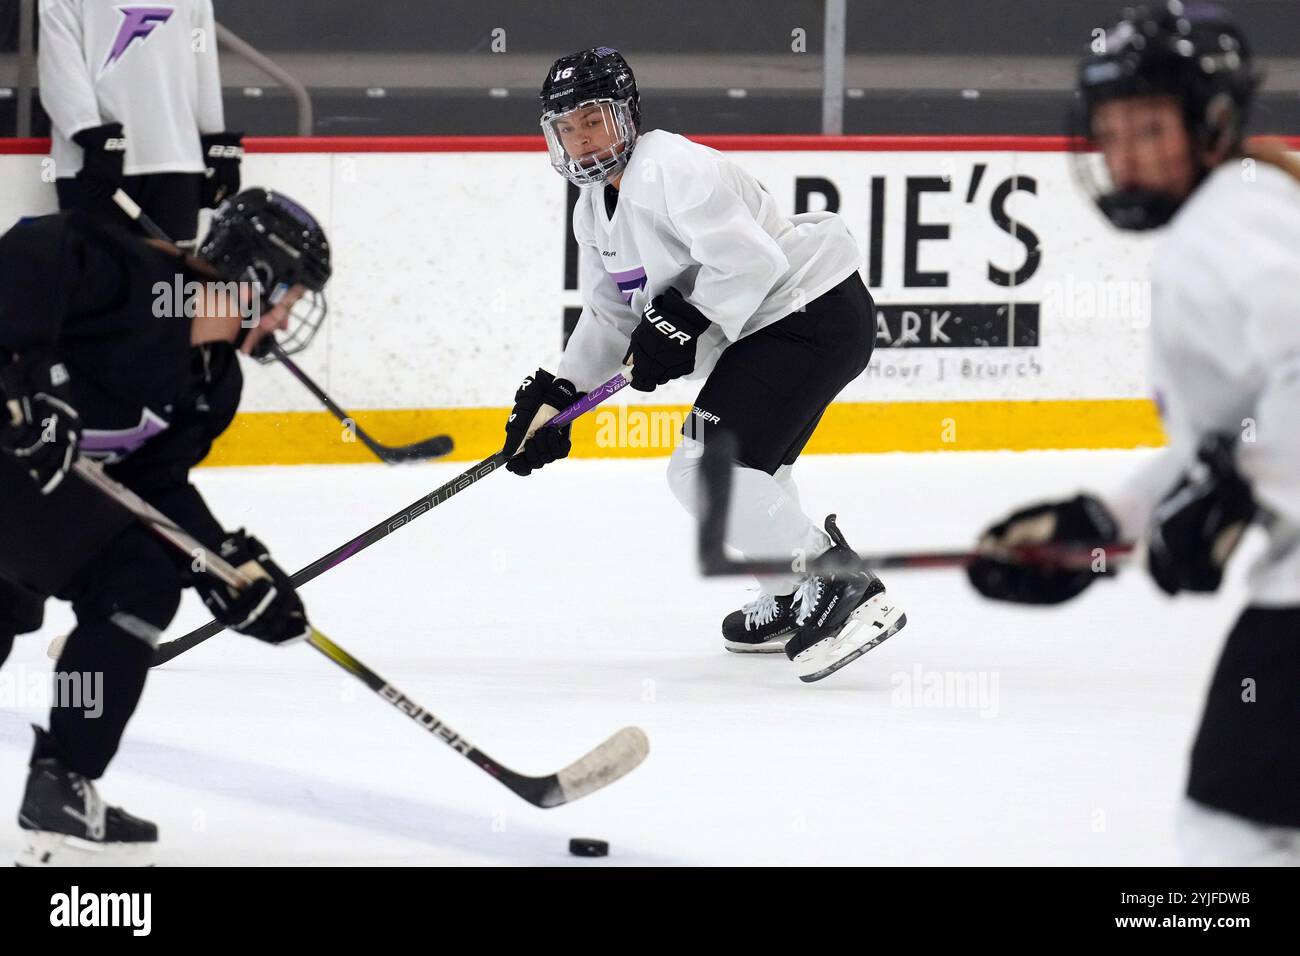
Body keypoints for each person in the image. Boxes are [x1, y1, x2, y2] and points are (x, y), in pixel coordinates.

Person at [968, 1, 1300, 864]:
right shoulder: (1247, 206)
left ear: (1213, 123)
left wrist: (1228, 494)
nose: (1127, 158)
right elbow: (1231, 431)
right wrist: (1106, 519)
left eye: (1151, 129)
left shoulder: (1230, 227)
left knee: (1228, 842)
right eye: (1112, 133)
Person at [503, 47, 905, 683]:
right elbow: (610, 314)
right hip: (784, 324)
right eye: (567, 128)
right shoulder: (591, 210)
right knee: (755, 469)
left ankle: (838, 583)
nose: (581, 141)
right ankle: (792, 588)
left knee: (702, 468)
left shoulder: (670, 166)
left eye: (593, 121)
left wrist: (681, 320)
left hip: (810, 311)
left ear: (627, 115)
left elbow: (751, 264)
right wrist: (558, 395)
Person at [0, 188, 330, 865]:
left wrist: (225, 566)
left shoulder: (211, 382)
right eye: (292, 295)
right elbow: (30, 249)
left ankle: (61, 788)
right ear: (258, 278)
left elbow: (149, 488)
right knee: (136, 580)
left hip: (27, 504)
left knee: (114, 584)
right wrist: (28, 376)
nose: (290, 316)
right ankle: (62, 782)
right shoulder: (138, 279)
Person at [38, 0, 242, 243]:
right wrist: (89, 132)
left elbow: (203, 58)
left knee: (170, 279)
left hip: (176, 163)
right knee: (96, 276)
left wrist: (214, 140)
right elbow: (59, 60)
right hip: (92, 166)